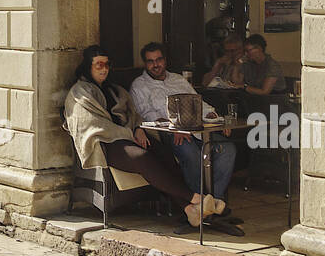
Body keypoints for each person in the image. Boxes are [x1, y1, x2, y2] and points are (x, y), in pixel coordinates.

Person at [63, 44, 225, 228]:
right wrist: (129, 133)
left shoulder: (115, 90)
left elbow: (134, 114)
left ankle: (190, 210)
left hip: (127, 136)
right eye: (98, 65)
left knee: (164, 153)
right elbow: (92, 125)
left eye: (107, 64)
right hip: (105, 143)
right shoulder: (80, 92)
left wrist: (138, 128)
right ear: (88, 67)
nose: (104, 69)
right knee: (142, 157)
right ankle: (197, 198)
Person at [130, 42, 240, 231]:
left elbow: (197, 101)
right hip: (168, 134)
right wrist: (175, 127)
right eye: (150, 61)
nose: (155, 65)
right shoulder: (139, 86)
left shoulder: (178, 79)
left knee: (228, 150)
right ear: (145, 64)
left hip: (196, 131)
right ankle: (198, 203)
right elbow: (146, 114)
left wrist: (213, 116)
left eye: (158, 60)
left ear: (165, 60)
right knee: (190, 153)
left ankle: (213, 204)